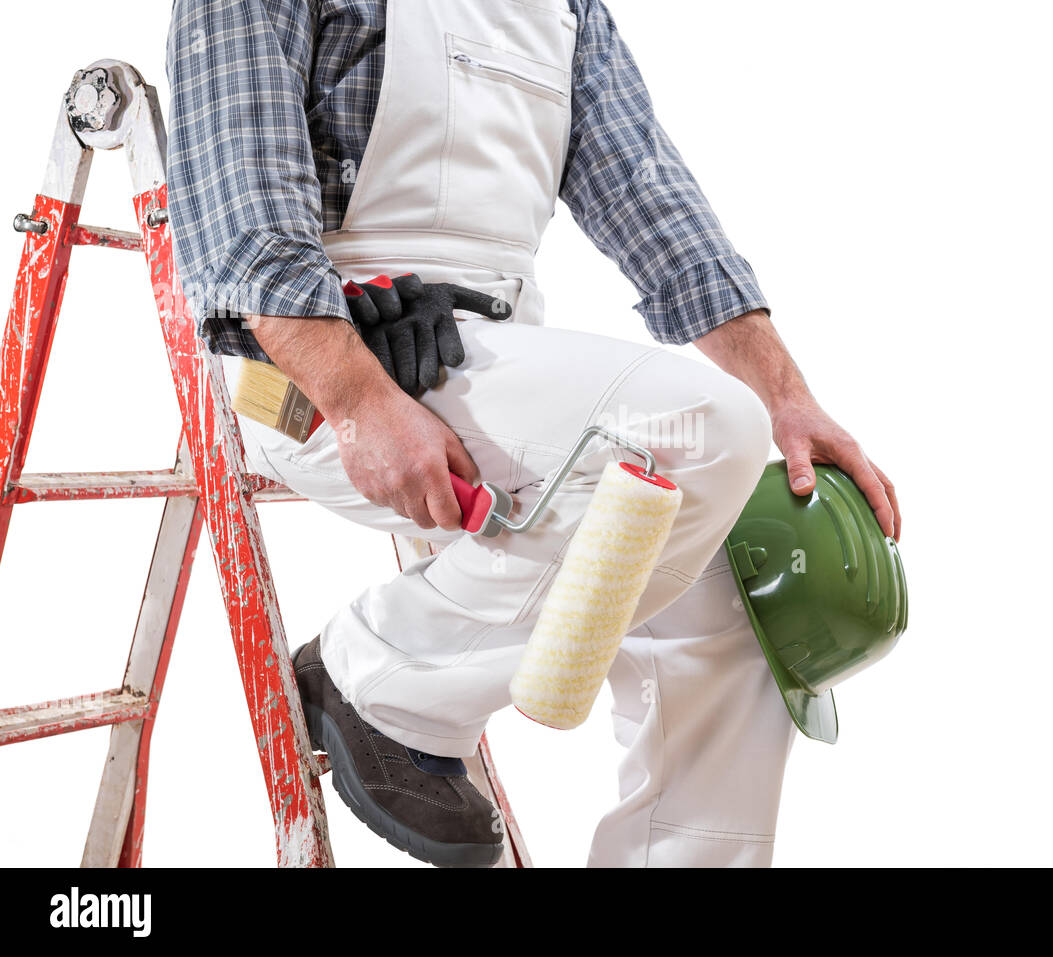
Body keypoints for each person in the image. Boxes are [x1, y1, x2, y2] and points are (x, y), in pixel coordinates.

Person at [166, 0, 900, 867]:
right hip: (300, 374)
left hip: (480, 360)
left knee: (738, 576)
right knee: (705, 434)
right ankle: (377, 678)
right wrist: (360, 401)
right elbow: (246, 225)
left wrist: (788, 394)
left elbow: (650, 198)